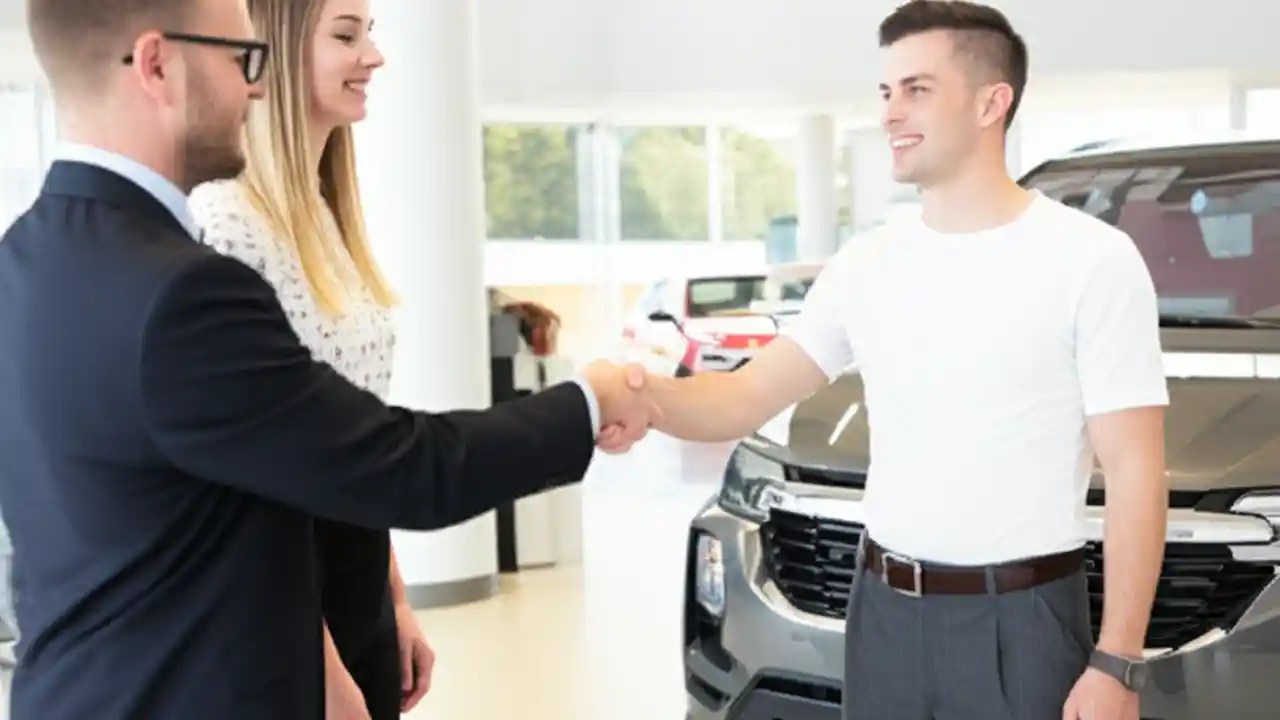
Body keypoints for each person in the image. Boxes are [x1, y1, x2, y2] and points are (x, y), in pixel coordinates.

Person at [0, 1, 654, 718]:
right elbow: (405, 468)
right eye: (241, 60)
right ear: (157, 65)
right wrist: (588, 400)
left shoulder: (24, 259)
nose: (257, 88)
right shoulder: (185, 290)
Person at [602, 2, 1169, 719]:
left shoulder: (1091, 260)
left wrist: (1117, 661)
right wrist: (645, 400)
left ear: (993, 102)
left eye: (918, 89)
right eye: (886, 91)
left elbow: (1136, 469)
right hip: (884, 616)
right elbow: (747, 397)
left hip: (1021, 622)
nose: (891, 112)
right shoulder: (868, 264)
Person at [187, 1, 426, 717]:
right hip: (285, 603)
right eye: (347, 36)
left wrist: (395, 600)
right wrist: (319, 665)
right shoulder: (228, 224)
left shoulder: (324, 216)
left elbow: (353, 439)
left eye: (371, 33)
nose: (374, 57)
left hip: (352, 575)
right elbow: (248, 489)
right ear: (281, 53)